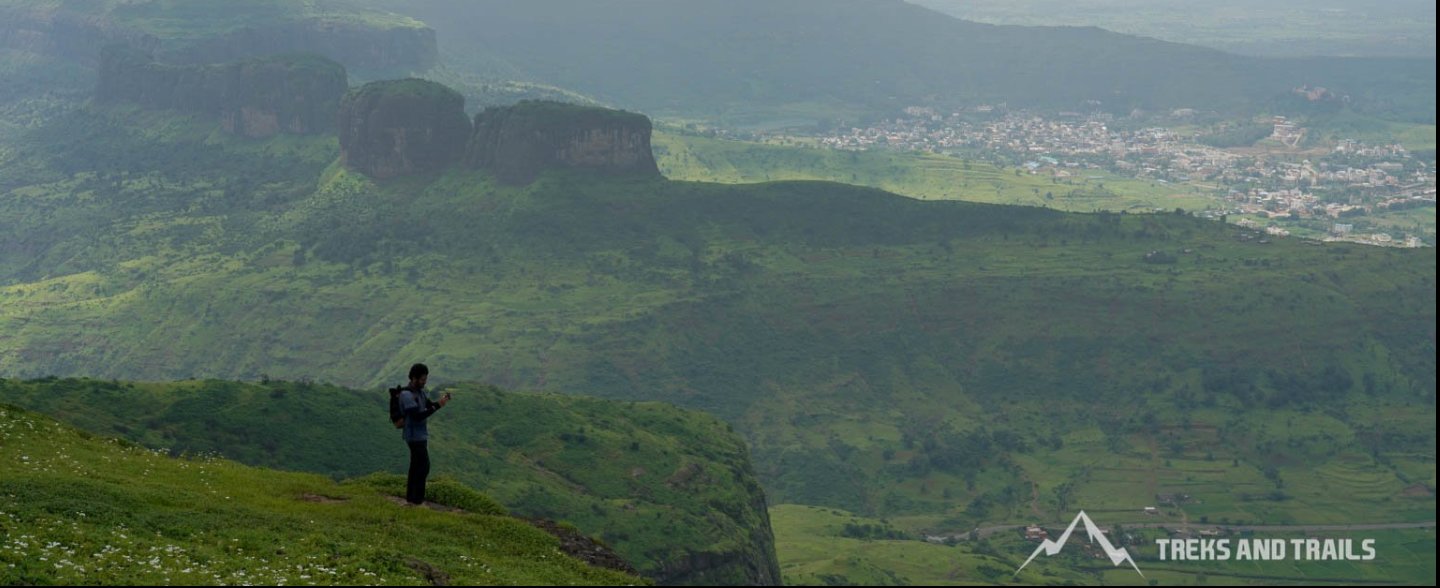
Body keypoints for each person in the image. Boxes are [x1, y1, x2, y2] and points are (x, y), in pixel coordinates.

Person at [398, 363, 451, 505]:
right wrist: (437, 406)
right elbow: (417, 416)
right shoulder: (406, 395)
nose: (424, 382)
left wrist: (441, 402)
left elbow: (429, 405)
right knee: (423, 466)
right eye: (422, 379)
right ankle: (416, 499)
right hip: (413, 435)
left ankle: (412, 498)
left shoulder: (420, 392)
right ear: (414, 378)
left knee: (416, 466)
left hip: (421, 435)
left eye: (425, 379)